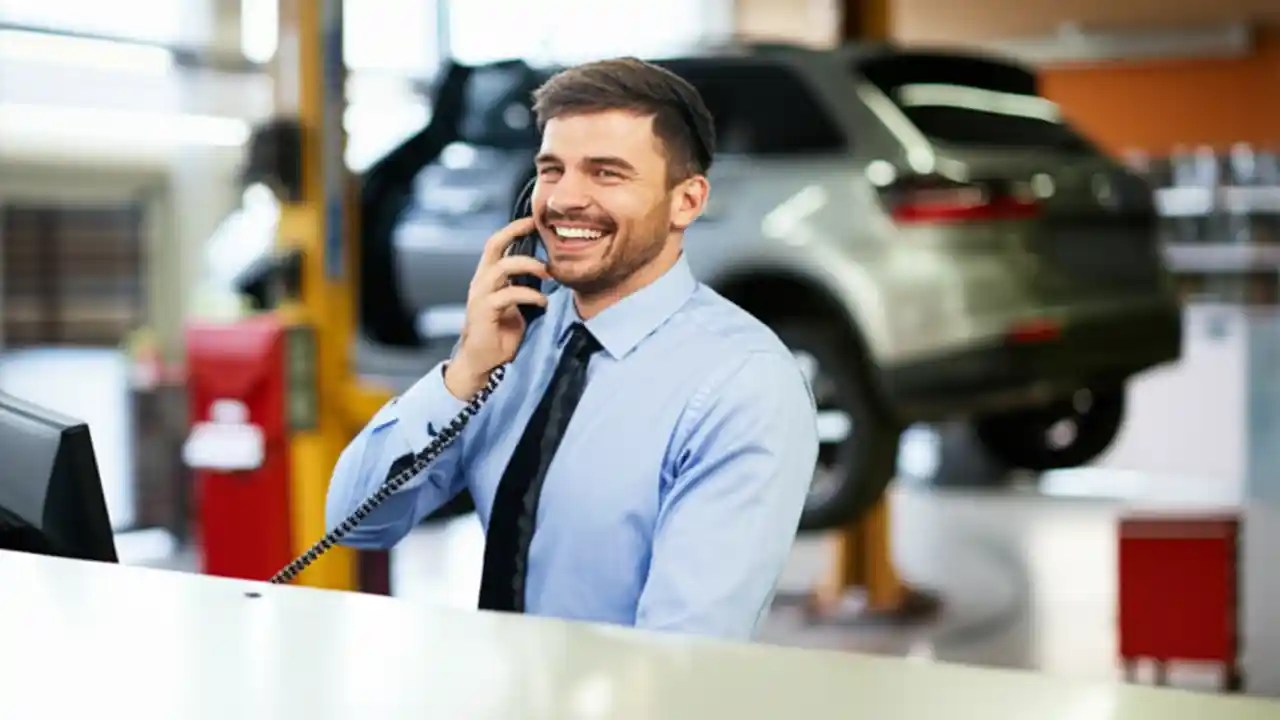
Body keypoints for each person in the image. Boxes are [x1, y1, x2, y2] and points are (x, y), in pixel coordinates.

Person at [326, 57, 819, 641]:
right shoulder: (517, 338)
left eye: (607, 173)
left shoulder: (743, 386)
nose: (564, 200)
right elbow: (355, 522)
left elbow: (685, 653)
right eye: (552, 170)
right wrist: (464, 371)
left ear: (686, 200)